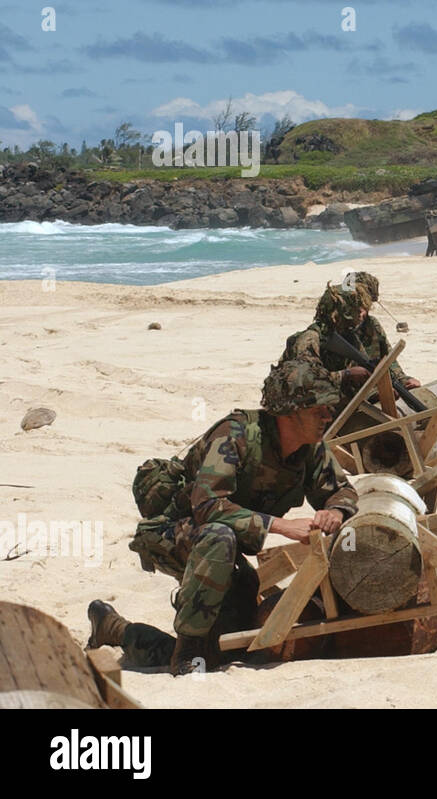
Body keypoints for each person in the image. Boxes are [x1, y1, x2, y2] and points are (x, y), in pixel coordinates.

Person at [90, 359, 359, 675]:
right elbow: (207, 505)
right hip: (174, 533)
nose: (329, 416)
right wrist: (281, 526)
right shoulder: (236, 434)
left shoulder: (309, 447)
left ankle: (115, 629)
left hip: (223, 549)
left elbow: (343, 491)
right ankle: (187, 655)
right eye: (319, 409)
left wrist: (335, 510)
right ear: (289, 411)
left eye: (331, 407)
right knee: (220, 538)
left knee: (224, 649)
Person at [279, 273, 419, 395]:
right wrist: (345, 375)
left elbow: (386, 361)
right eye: (357, 308)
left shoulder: (352, 334)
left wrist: (403, 380)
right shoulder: (311, 339)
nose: (362, 313)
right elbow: (299, 380)